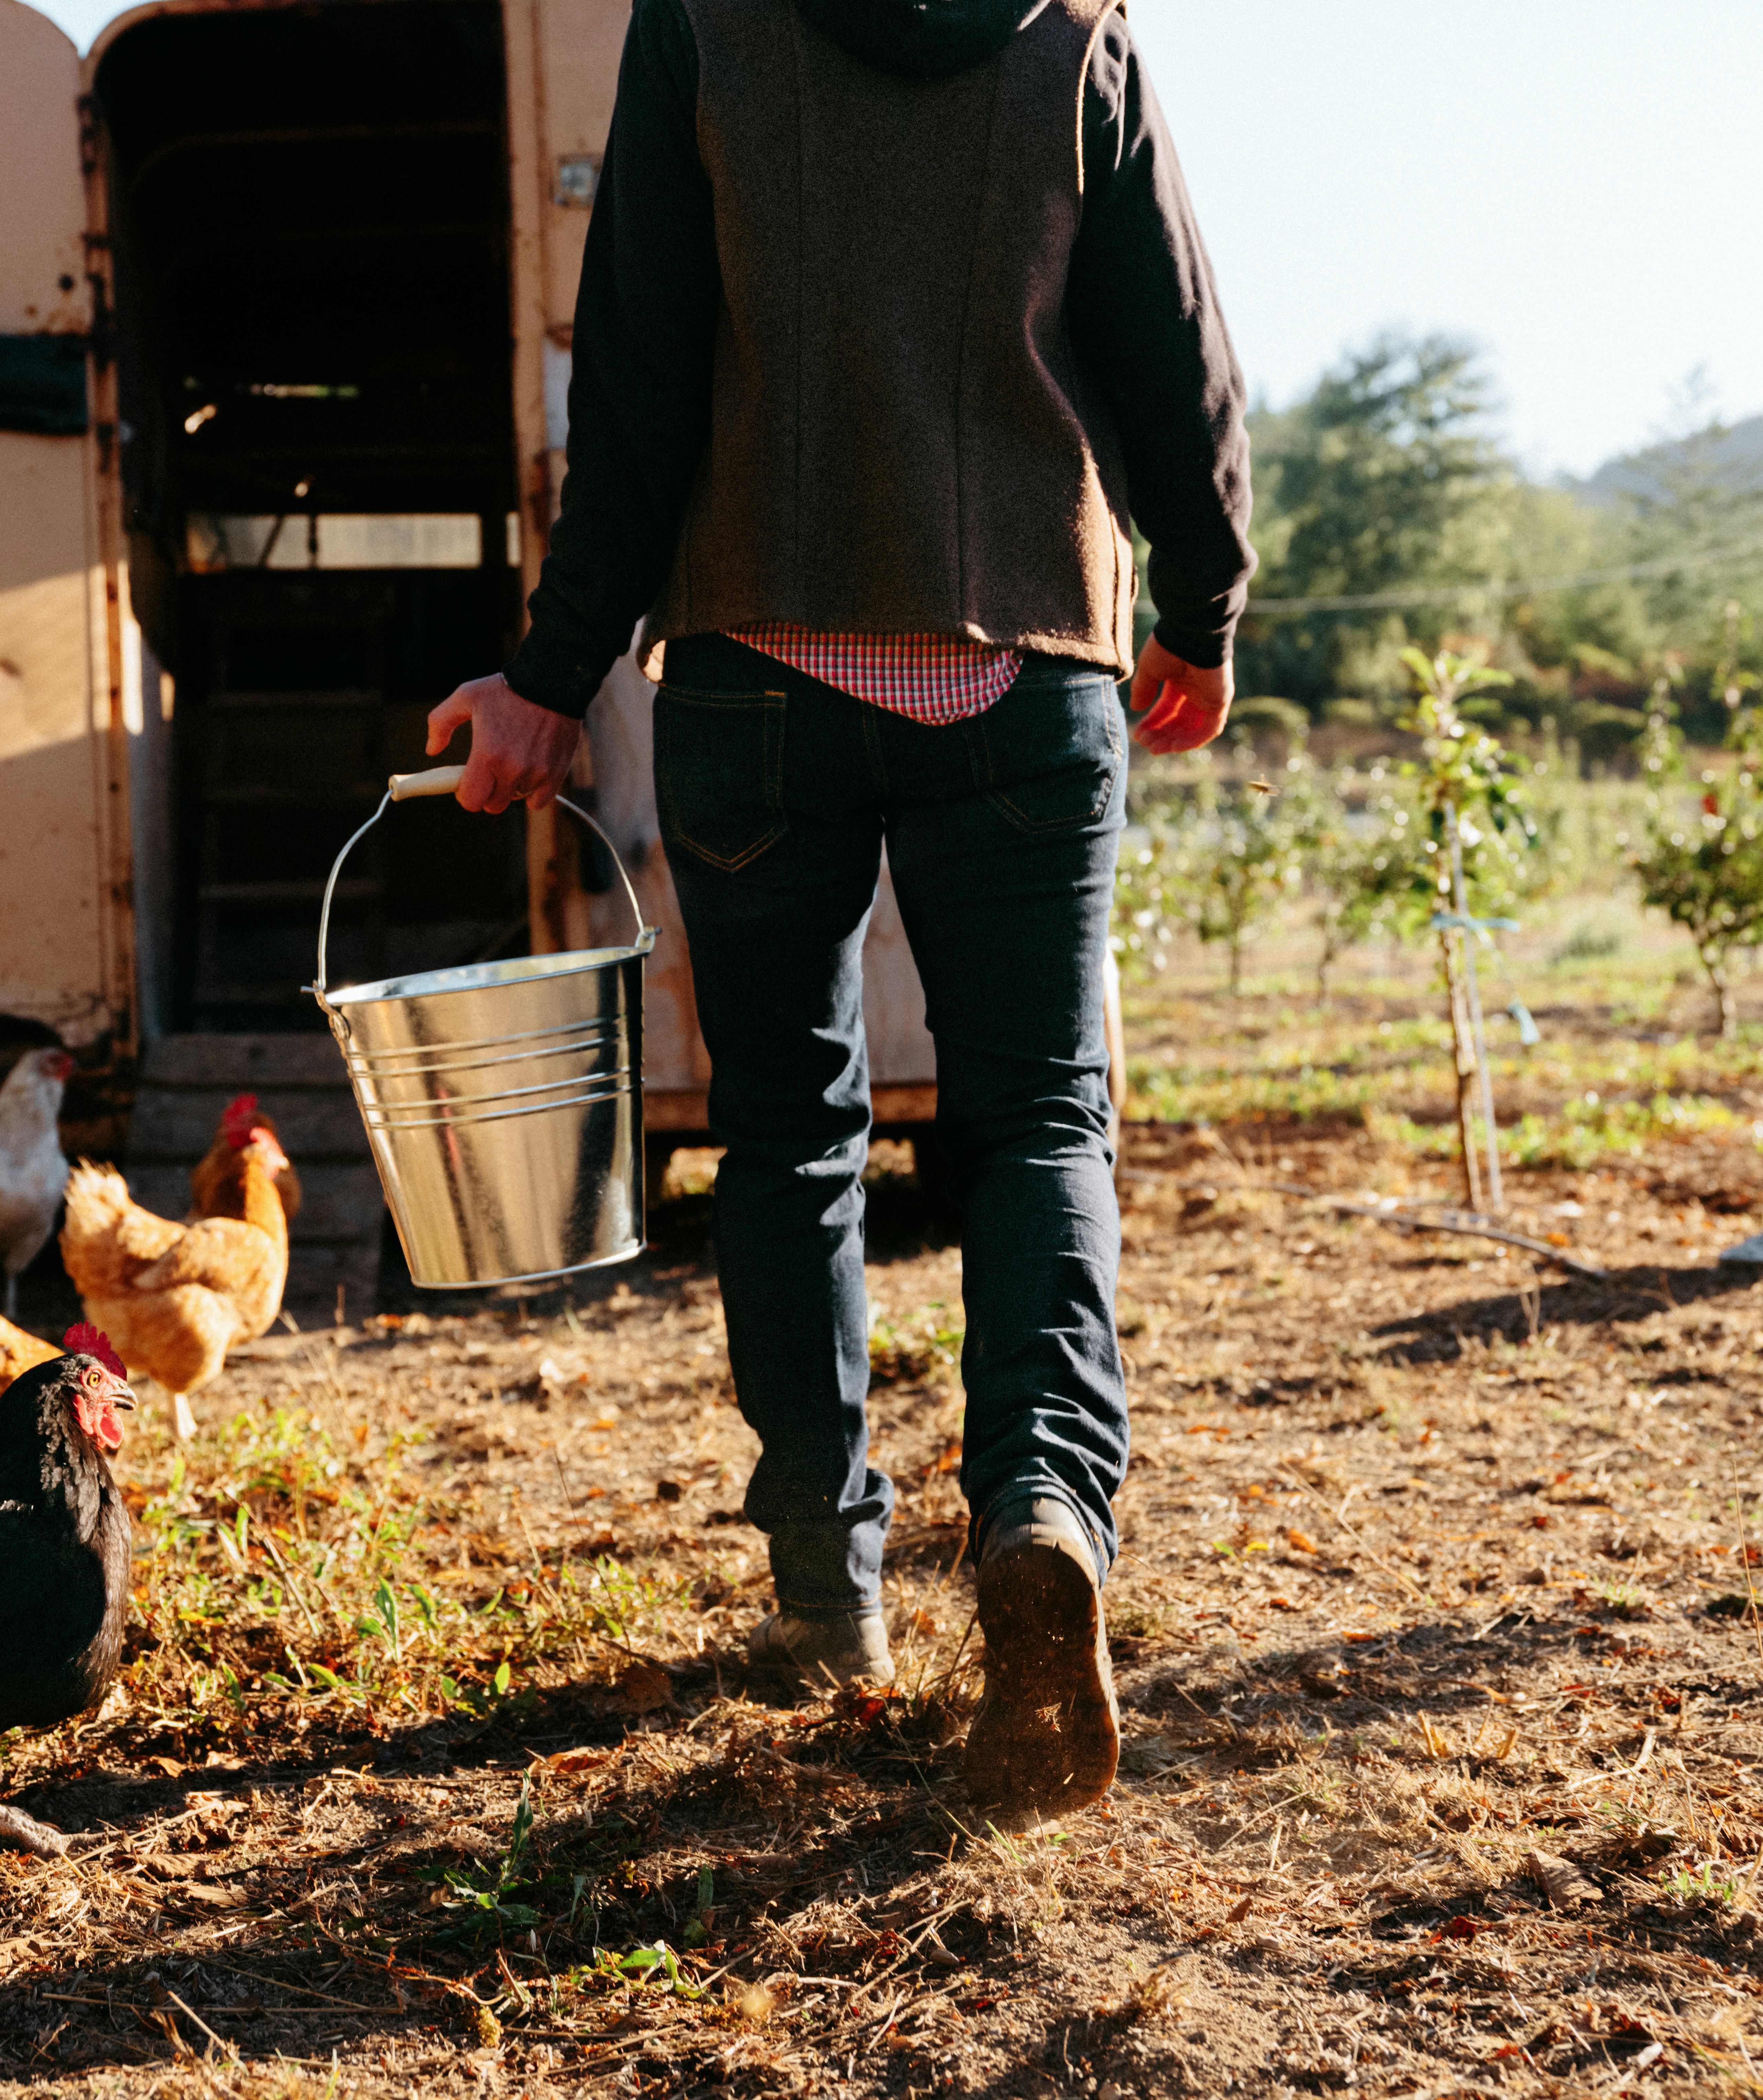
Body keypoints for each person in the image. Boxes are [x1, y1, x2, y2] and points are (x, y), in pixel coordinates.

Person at [426, 0, 1251, 1819]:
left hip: (754, 676)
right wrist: (1200, 603)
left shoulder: (705, 21)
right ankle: (1042, 1507)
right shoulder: (1077, 32)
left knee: (790, 1132)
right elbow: (1174, 346)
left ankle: (828, 1589)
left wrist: (552, 675)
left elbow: (637, 368)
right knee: (1037, 1121)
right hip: (1022, 659)